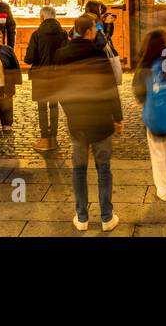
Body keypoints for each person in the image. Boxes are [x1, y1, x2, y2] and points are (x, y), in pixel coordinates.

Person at [55, 13, 124, 232]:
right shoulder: (98, 54)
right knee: (103, 168)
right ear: (88, 32)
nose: (96, 31)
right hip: (101, 119)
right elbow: (110, 88)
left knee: (79, 169)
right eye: (95, 28)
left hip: (77, 122)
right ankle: (106, 217)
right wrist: (118, 118)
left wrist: (70, 111)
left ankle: (82, 217)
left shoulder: (62, 54)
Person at [133, 29, 166, 201]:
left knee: (158, 153)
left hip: (154, 116)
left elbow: (139, 93)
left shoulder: (146, 66)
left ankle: (163, 191)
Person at [24, 5, 68, 151]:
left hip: (41, 75)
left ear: (41, 18)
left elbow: (29, 58)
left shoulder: (36, 35)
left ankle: (44, 139)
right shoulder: (63, 34)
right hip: (58, 75)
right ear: (55, 17)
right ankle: (54, 139)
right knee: (54, 106)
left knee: (42, 107)